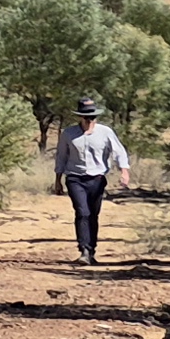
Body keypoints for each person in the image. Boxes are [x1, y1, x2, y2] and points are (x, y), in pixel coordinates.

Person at [54, 98, 131, 265]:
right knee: (82, 212)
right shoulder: (68, 134)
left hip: (97, 179)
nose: (89, 120)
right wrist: (58, 180)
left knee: (93, 215)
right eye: (86, 116)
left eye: (92, 117)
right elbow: (61, 156)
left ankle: (91, 250)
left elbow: (119, 151)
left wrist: (124, 171)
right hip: (75, 177)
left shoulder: (106, 132)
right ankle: (84, 250)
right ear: (80, 117)